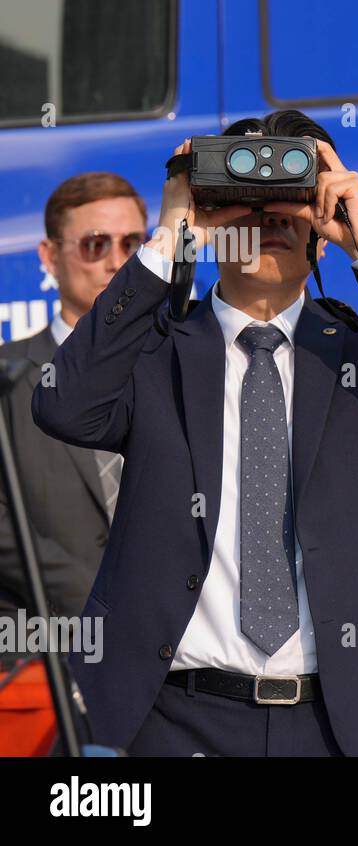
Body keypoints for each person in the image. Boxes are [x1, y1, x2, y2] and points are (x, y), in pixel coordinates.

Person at [32, 110, 358, 756]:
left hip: (341, 720)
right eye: (247, 204)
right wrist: (170, 237)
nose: (269, 220)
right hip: (175, 716)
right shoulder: (154, 356)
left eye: (293, 204)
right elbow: (63, 408)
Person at [0, 172, 147, 756]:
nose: (117, 261)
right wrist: (118, 610)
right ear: (49, 256)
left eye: (134, 244)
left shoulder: (189, 365)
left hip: (188, 672)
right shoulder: (7, 379)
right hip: (49, 667)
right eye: (95, 244)